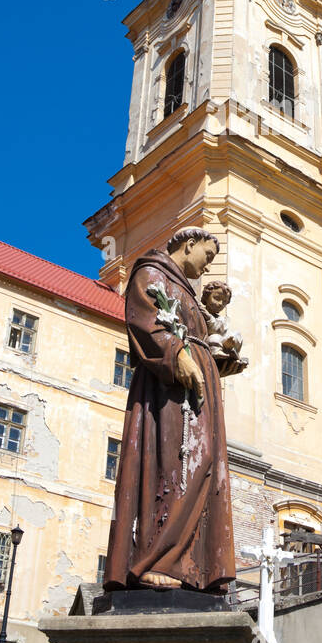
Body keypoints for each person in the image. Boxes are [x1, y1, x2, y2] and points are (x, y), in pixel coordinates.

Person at [102, 227, 239, 595]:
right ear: (188, 244)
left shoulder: (188, 293)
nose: (207, 265)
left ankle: (191, 564)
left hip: (196, 393)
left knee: (204, 464)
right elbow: (144, 321)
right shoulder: (151, 273)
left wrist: (218, 363)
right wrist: (177, 353)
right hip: (167, 394)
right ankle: (155, 561)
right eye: (207, 256)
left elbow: (197, 342)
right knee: (171, 466)